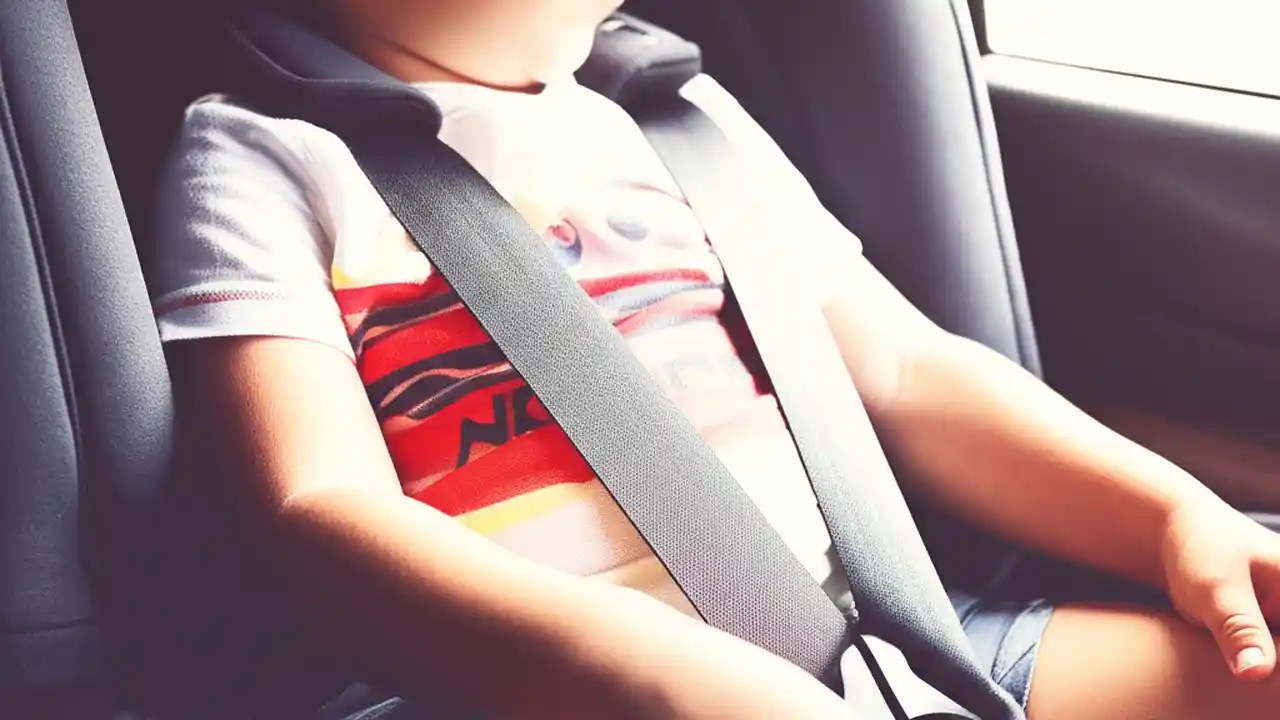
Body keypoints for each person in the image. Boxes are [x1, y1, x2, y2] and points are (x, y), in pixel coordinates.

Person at [151, 0, 1280, 717]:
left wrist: (1168, 517)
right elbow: (316, 503)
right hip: (550, 684)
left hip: (886, 640)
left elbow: (910, 375)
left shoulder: (679, 117)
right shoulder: (266, 155)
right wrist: (641, 672)